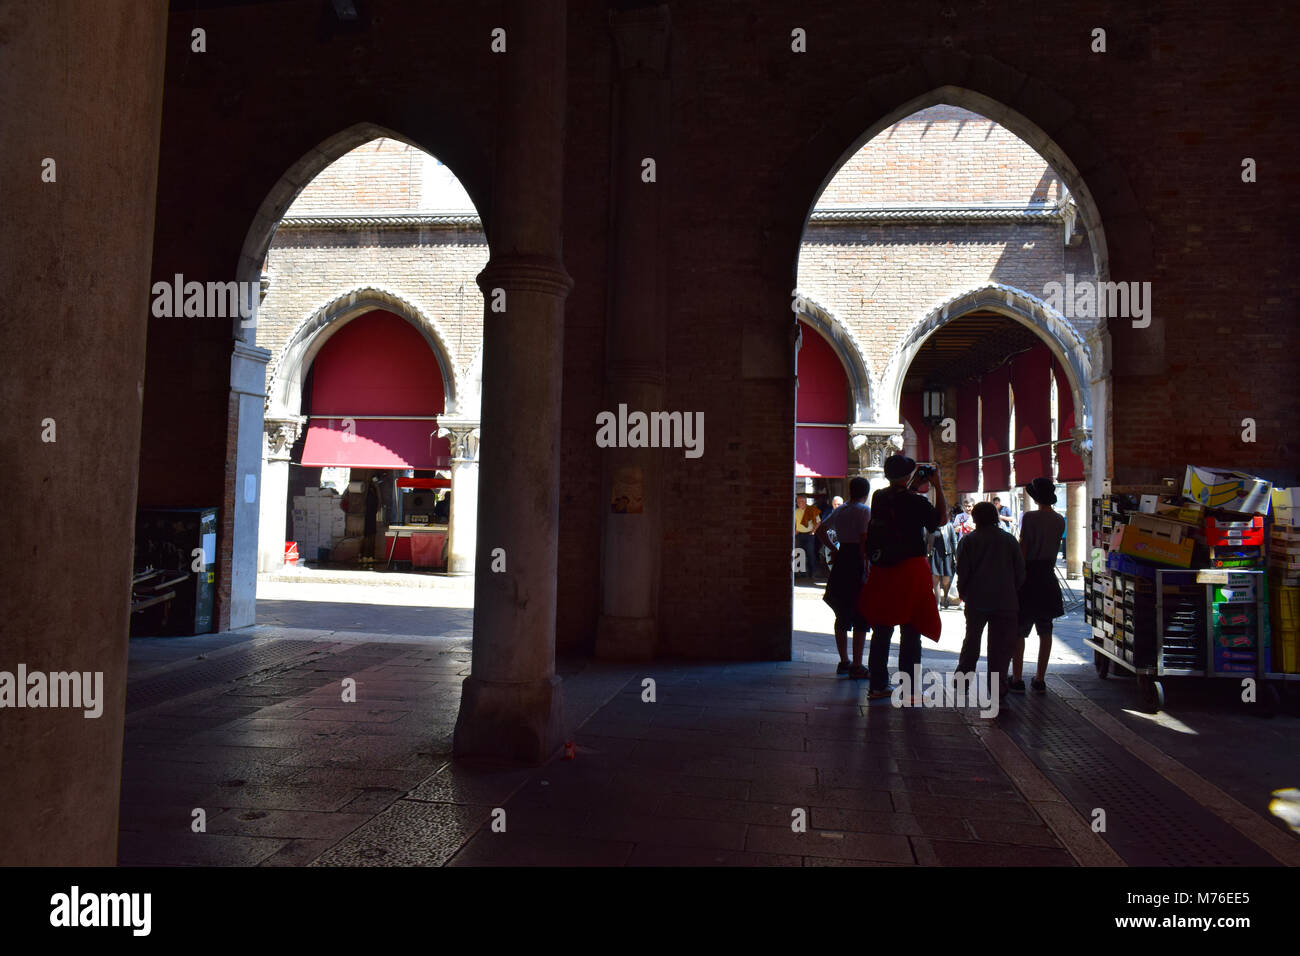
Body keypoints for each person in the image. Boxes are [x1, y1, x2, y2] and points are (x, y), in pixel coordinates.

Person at [858, 455, 947, 700]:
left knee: (882, 628)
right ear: (908, 476)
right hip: (910, 570)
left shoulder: (879, 497)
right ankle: (908, 688)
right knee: (911, 629)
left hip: (884, 570)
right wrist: (937, 484)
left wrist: (910, 487)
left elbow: (898, 502)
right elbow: (940, 520)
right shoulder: (915, 501)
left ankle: (877, 685)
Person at [955, 501, 1026, 700]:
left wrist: (964, 594)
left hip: (977, 599)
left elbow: (962, 572)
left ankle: (962, 682)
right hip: (1005, 601)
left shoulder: (969, 541)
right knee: (1000, 648)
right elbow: (1020, 572)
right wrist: (1012, 590)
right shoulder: (1009, 540)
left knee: (971, 642)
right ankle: (998, 688)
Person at [1010, 477, 1067, 694]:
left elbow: (1023, 547)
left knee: (1020, 630)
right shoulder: (1060, 520)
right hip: (1048, 576)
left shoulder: (1030, 517)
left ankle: (1016, 677)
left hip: (1029, 576)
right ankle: (1040, 678)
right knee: (1046, 630)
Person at [816, 479, 872, 678]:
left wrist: (833, 549)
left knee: (841, 612)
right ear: (866, 492)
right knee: (861, 614)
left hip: (843, 560)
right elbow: (864, 538)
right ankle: (857, 664)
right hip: (857, 561)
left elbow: (821, 530)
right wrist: (866, 565)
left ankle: (844, 661)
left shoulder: (841, 510)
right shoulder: (865, 511)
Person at [930, 509, 958, 609]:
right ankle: (938, 602)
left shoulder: (949, 526)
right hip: (934, 554)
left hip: (947, 554)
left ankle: (945, 597)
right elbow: (926, 539)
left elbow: (954, 541)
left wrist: (956, 555)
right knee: (935, 578)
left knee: (946, 580)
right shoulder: (931, 526)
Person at [794, 495, 821, 579]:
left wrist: (813, 531)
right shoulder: (796, 511)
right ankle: (801, 574)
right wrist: (795, 531)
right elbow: (794, 523)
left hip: (809, 535)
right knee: (799, 553)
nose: (799, 503)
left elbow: (819, 522)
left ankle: (812, 573)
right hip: (799, 535)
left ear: (805, 502)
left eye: (801, 501)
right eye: (798, 502)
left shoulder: (811, 510)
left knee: (810, 554)